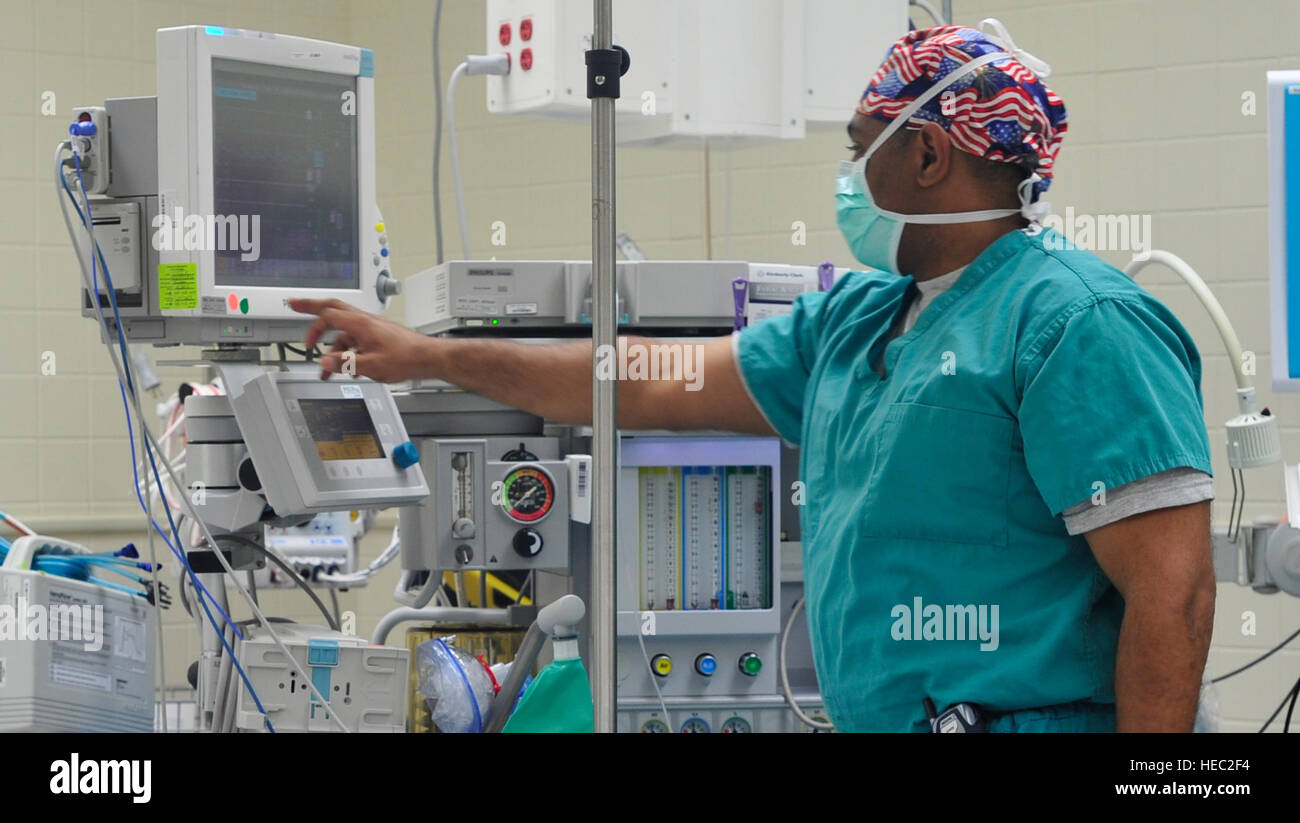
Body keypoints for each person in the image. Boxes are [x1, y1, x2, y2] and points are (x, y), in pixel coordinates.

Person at [291, 22, 1216, 732]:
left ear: (930, 154)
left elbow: (1175, 594)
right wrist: (428, 354)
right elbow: (638, 380)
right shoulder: (859, 320)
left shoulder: (1078, 324)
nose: (849, 175)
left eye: (861, 146)